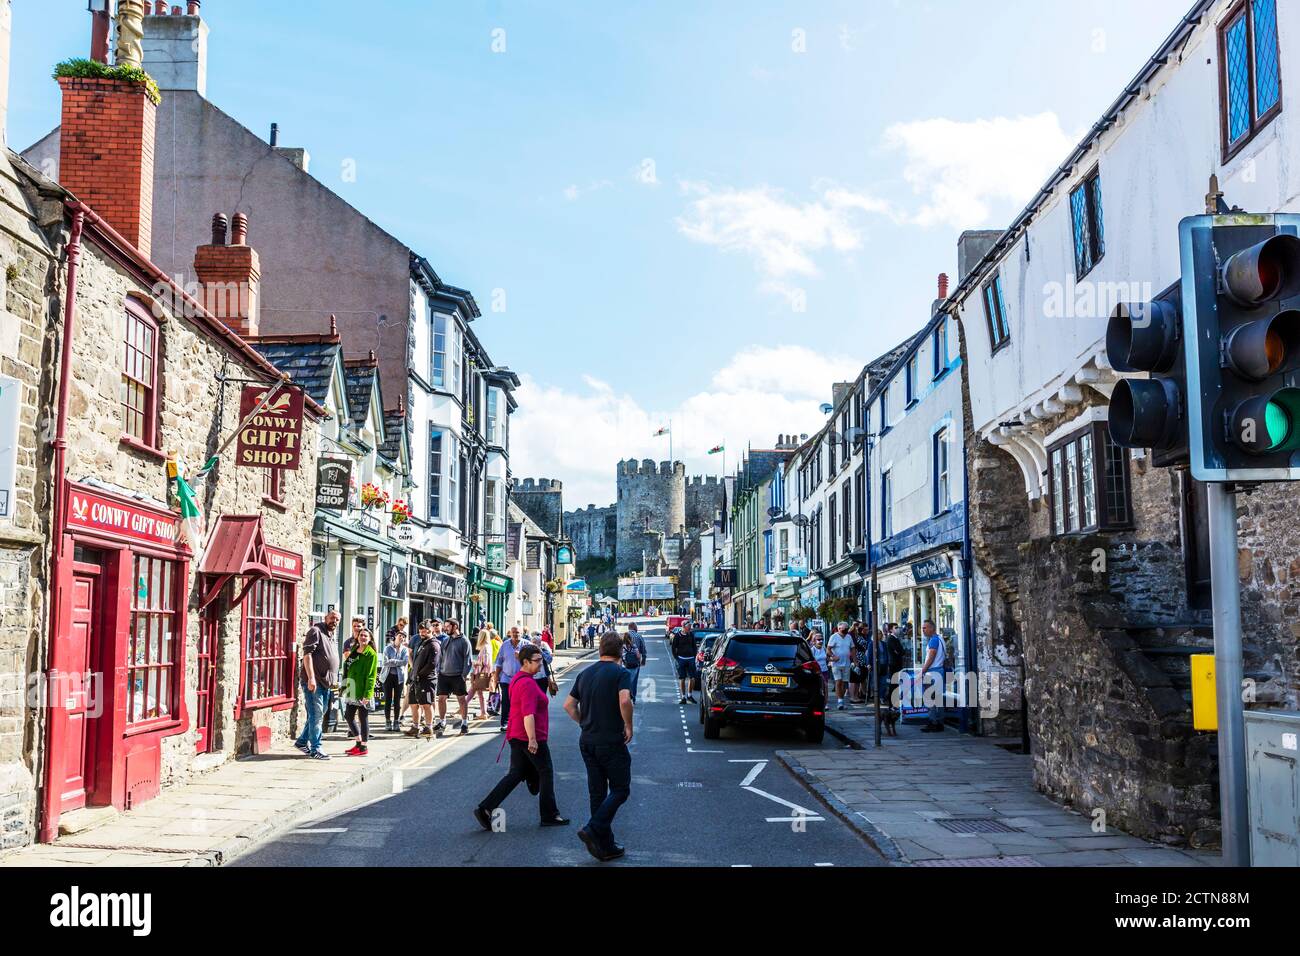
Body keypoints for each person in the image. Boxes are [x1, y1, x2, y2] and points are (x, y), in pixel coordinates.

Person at [475, 644, 570, 831]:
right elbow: (528, 714)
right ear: (525, 662)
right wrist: (533, 739)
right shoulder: (526, 683)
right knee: (546, 771)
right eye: (537, 661)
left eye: (541, 660)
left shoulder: (520, 679)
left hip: (516, 735)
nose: (540, 664)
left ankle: (486, 807)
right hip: (528, 737)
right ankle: (549, 815)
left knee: (516, 774)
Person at [564, 632, 635, 862]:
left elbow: (569, 705)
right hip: (610, 741)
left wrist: (584, 721)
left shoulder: (585, 673)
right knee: (620, 789)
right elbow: (625, 700)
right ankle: (593, 828)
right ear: (620, 651)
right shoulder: (621, 673)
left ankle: (605, 845)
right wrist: (628, 725)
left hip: (587, 740)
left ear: (601, 649)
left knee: (597, 793)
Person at [295, 610, 340, 759]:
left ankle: (302, 742)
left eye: (337, 619)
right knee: (316, 714)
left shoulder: (331, 635)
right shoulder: (316, 631)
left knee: (318, 713)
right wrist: (311, 678)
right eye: (332, 618)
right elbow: (307, 656)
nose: (334, 621)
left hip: (326, 683)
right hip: (315, 681)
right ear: (326, 618)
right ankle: (316, 748)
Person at [341, 628, 378, 756]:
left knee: (363, 718)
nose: (363, 637)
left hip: (362, 690)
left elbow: (371, 676)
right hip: (351, 687)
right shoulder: (354, 651)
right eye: (361, 635)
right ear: (357, 637)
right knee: (348, 716)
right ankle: (358, 742)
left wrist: (367, 694)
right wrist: (344, 685)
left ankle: (364, 747)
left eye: (365, 636)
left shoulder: (371, 654)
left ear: (370, 639)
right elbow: (347, 668)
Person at [436, 619, 474, 736]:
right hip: (444, 675)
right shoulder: (446, 640)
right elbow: (441, 657)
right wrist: (439, 671)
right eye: (445, 626)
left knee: (461, 700)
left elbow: (468, 660)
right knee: (441, 699)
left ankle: (464, 723)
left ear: (455, 626)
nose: (445, 628)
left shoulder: (464, 641)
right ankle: (442, 722)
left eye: (448, 626)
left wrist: (464, 675)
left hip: (458, 676)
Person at [406, 623, 440, 738]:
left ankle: (428, 727)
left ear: (431, 631)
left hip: (427, 680)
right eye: (421, 631)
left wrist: (419, 675)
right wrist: (413, 675)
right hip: (415, 679)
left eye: (425, 631)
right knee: (413, 703)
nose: (422, 633)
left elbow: (432, 664)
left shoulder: (434, 645)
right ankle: (415, 727)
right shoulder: (422, 642)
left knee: (426, 704)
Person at [494, 627, 528, 732]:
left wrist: (521, 657)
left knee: (521, 702)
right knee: (506, 701)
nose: (515, 634)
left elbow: (532, 662)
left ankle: (521, 723)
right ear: (510, 634)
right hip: (506, 678)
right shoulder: (505, 645)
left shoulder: (527, 645)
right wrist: (496, 676)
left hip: (521, 679)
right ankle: (505, 723)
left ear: (521, 633)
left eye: (517, 632)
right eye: (513, 632)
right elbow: (499, 661)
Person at [919, 618, 947, 732]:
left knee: (929, 698)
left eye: (925, 628)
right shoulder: (940, 639)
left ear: (931, 628)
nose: (923, 630)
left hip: (932, 672)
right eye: (922, 628)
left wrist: (923, 671)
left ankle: (933, 722)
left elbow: (931, 656)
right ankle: (939, 723)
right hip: (939, 671)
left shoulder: (934, 640)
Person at [381, 630, 409, 731]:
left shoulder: (404, 649)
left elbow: (405, 662)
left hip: (399, 677)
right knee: (388, 700)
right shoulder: (387, 648)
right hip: (387, 677)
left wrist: (392, 661)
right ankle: (388, 721)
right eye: (400, 636)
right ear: (395, 637)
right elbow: (385, 662)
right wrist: (398, 662)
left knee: (397, 701)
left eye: (403, 637)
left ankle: (396, 721)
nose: (401, 638)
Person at [826, 622, 855, 711]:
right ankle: (840, 702)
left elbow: (853, 648)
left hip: (846, 663)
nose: (846, 630)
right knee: (838, 682)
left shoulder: (849, 637)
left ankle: (841, 700)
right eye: (844, 629)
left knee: (845, 683)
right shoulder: (834, 637)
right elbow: (828, 649)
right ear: (839, 629)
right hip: (836, 664)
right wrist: (833, 656)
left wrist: (854, 659)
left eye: (847, 628)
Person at [470, 628, 495, 720]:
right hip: (482, 673)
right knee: (477, 693)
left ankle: (463, 708)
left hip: (481, 674)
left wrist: (474, 662)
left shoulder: (485, 647)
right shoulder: (487, 646)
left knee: (475, 691)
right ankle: (483, 713)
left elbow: (485, 662)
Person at [670, 624, 698, 705]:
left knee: (692, 678)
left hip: (690, 659)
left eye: (690, 628)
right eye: (688, 628)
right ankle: (683, 697)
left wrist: (694, 656)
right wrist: (677, 658)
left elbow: (694, 646)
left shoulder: (691, 635)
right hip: (681, 659)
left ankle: (690, 695)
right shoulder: (677, 636)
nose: (689, 629)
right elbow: (673, 647)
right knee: (682, 678)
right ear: (683, 627)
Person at [620, 627, 646, 702]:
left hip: (625, 666)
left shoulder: (622, 647)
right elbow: (638, 655)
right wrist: (641, 660)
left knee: (626, 682)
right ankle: (633, 697)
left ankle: (626, 696)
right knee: (633, 681)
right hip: (634, 666)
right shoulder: (633, 646)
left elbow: (620, 657)